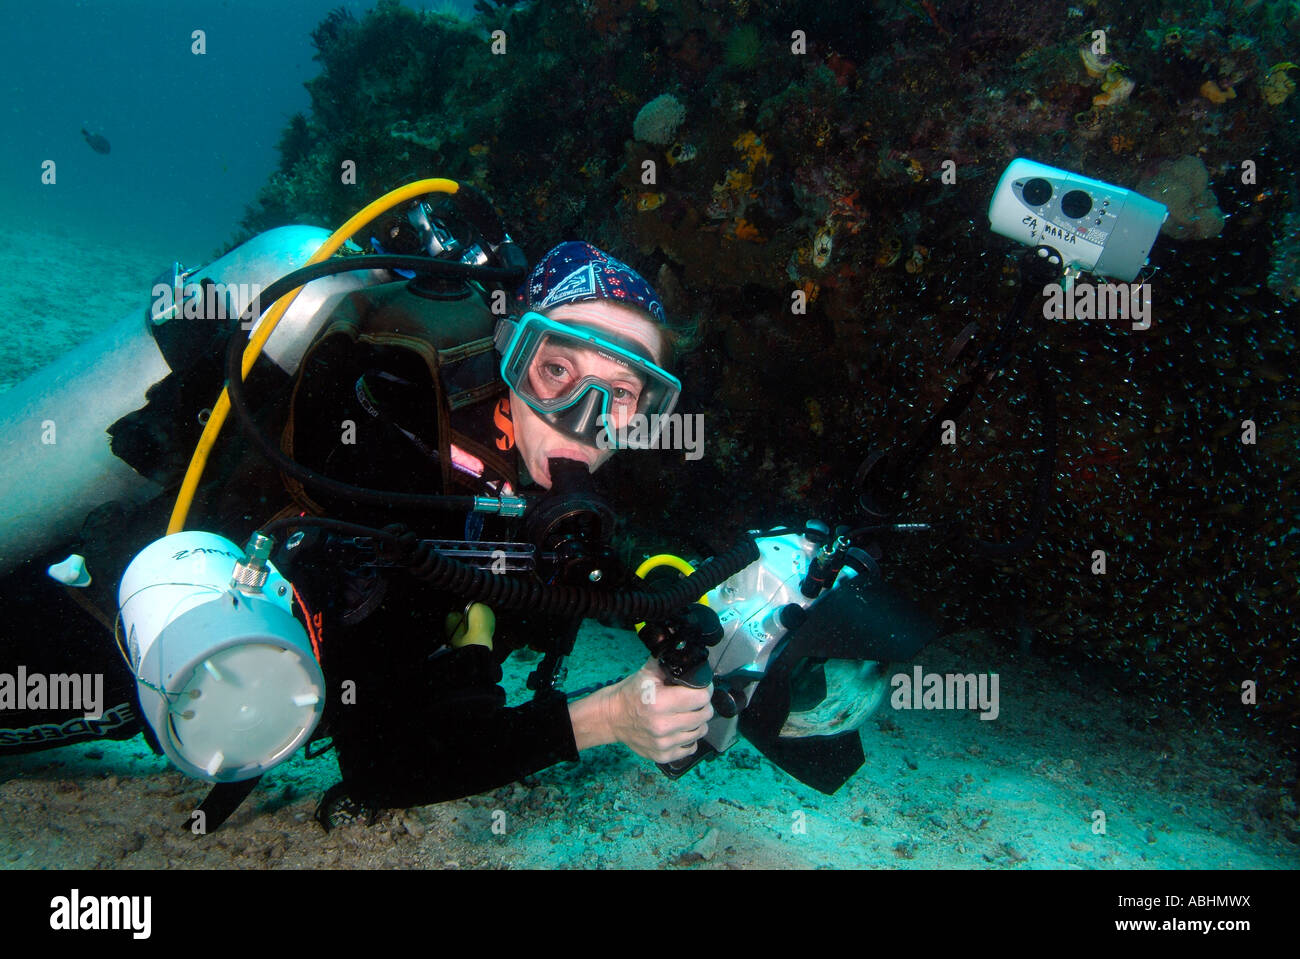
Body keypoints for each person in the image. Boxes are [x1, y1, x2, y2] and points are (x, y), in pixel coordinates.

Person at [272, 239, 715, 826]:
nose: (584, 417)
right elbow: (381, 767)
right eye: (558, 369)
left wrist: (658, 608)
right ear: (510, 352)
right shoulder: (402, 436)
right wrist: (608, 717)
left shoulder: (563, 468)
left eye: (624, 393)